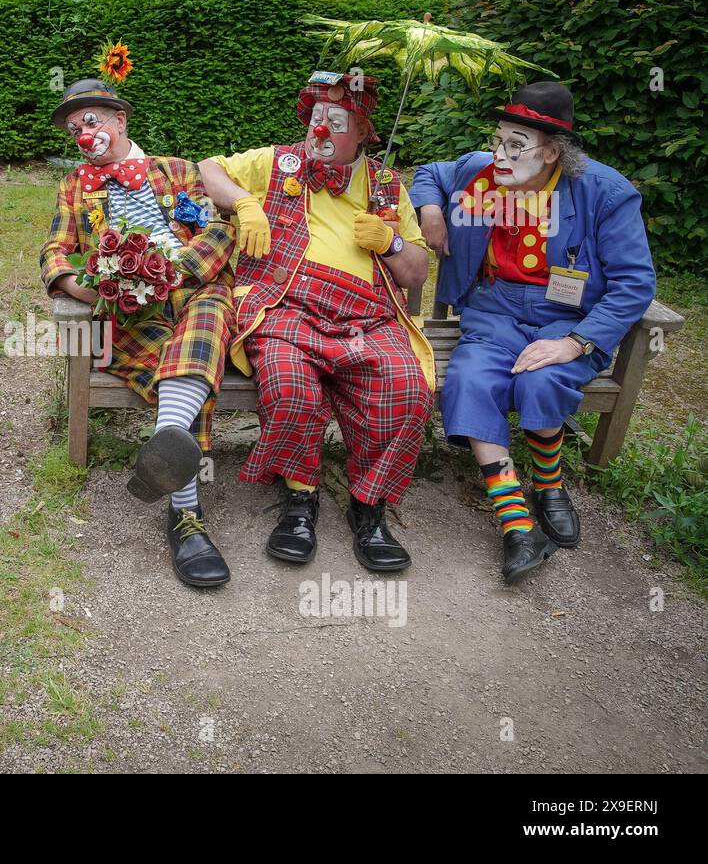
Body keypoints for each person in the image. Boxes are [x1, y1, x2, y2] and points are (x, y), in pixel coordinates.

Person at [410, 81, 656, 584]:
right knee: (471, 379)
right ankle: (516, 522)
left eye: (514, 144)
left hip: (569, 318)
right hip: (493, 312)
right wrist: (432, 210)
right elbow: (428, 174)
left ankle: (548, 481)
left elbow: (635, 282)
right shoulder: (481, 172)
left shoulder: (604, 192)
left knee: (542, 380)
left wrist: (575, 342)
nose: (499, 152)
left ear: (550, 152)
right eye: (499, 138)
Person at [199, 72, 433, 572]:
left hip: (367, 316)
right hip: (285, 305)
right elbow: (207, 170)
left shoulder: (388, 187)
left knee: (407, 386)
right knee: (290, 387)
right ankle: (300, 499)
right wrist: (243, 202)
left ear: (365, 133)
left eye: (338, 121)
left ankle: (369, 507)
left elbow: (416, 272)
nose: (320, 131)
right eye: (317, 118)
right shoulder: (278, 161)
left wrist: (391, 243)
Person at [41, 78, 237, 588]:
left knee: (207, 322)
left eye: (93, 120)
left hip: (196, 291)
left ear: (121, 120)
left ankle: (172, 484)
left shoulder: (176, 169)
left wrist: (178, 269)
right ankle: (185, 517)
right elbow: (55, 249)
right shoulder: (74, 186)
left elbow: (221, 228)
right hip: (129, 314)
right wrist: (85, 287)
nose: (84, 133)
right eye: (74, 127)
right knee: (184, 368)